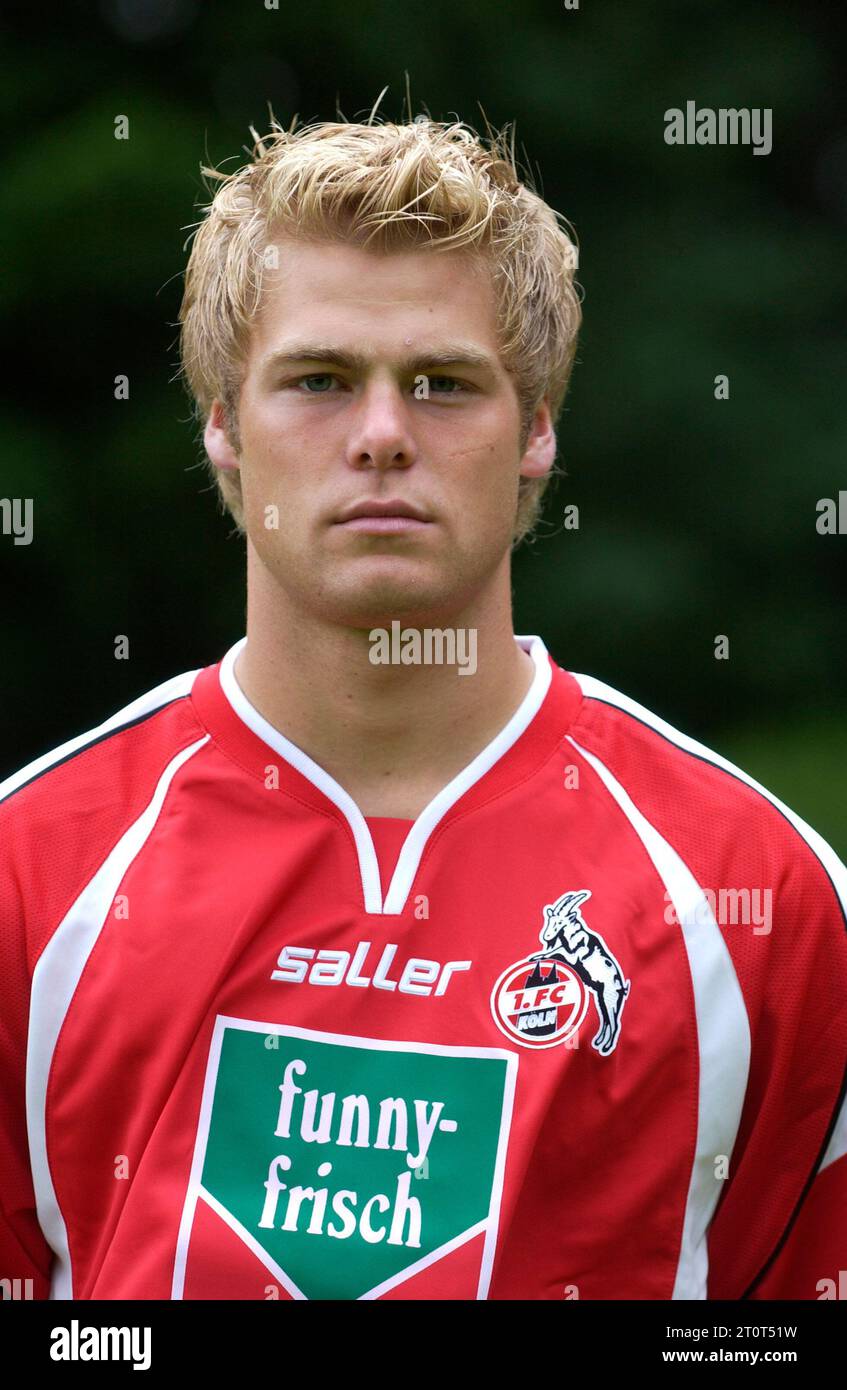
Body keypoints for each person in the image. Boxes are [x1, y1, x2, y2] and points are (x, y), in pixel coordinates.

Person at [1, 112, 844, 1303]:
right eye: (320, 381)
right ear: (223, 424)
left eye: (444, 383)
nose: (383, 435)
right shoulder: (31, 877)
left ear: (537, 429)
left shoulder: (758, 899)